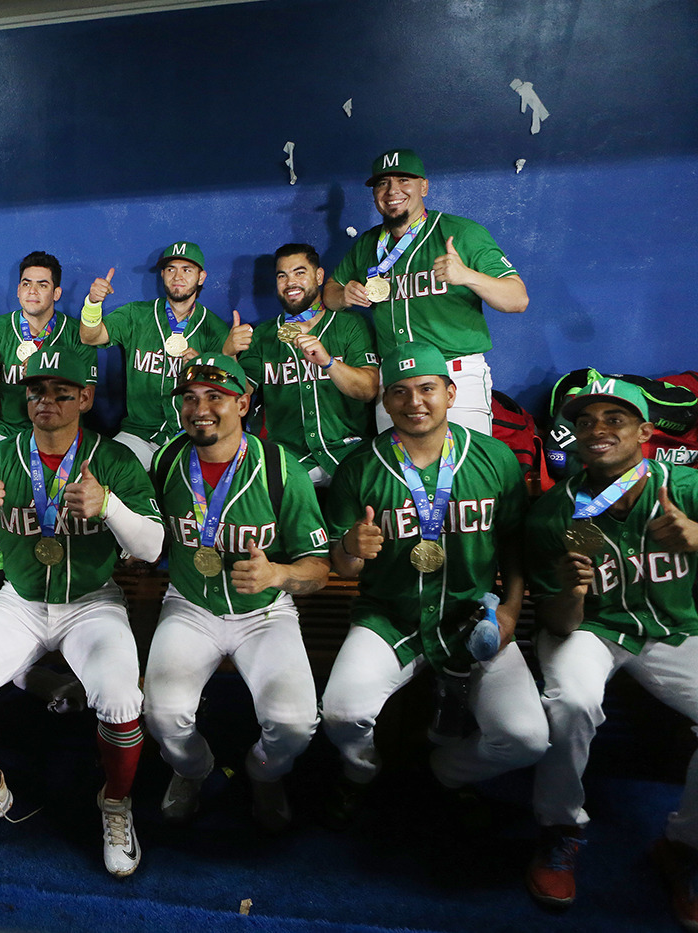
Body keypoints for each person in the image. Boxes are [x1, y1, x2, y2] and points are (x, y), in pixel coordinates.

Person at [0, 349, 163, 876]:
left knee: (122, 700)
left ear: (85, 398)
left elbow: (152, 548)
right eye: (38, 392)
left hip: (91, 601)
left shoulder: (114, 458)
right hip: (20, 600)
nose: (48, 402)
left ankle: (116, 803)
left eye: (63, 393)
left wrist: (110, 507)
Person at [320, 343, 548, 825]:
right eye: (399, 392)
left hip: (472, 618)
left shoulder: (494, 458)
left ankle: (447, 771)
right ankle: (361, 771)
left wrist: (509, 610)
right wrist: (350, 549)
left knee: (527, 738)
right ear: (385, 403)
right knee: (341, 712)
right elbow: (344, 569)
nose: (414, 402)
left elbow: (513, 544)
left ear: (450, 392)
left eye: (426, 388)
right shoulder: (359, 466)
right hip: (390, 617)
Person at [523, 379, 698, 927]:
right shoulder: (555, 511)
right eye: (586, 421)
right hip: (593, 629)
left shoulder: (687, 488)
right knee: (571, 700)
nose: (598, 430)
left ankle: (683, 845)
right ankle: (560, 829)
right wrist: (569, 594)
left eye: (615, 419)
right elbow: (555, 622)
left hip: (673, 629)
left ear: (645, 432)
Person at [144, 354, 329, 831]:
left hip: (264, 612)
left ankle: (263, 772)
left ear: (243, 403)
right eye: (190, 398)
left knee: (294, 724)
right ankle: (194, 770)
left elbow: (320, 568)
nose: (199, 408)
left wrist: (279, 575)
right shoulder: (166, 459)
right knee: (162, 713)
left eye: (216, 398)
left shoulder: (280, 467)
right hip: (190, 605)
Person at [324, 149, 528, 434]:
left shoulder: (462, 232)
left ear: (424, 186)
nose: (393, 190)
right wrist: (343, 296)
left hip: (454, 374)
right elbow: (329, 293)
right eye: (383, 183)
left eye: (404, 179)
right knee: (398, 472)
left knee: (463, 470)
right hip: (394, 376)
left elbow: (517, 299)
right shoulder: (367, 244)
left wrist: (468, 276)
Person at [78, 241, 243, 469]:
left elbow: (237, 394)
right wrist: (93, 304)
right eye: (170, 269)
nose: (178, 276)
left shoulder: (214, 329)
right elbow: (90, 337)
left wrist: (206, 367)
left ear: (201, 277)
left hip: (191, 435)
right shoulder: (136, 314)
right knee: (101, 470)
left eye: (187, 270)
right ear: (163, 275)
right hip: (138, 434)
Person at [238, 244, 379, 486]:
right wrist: (229, 355)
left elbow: (368, 390)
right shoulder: (264, 334)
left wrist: (328, 363)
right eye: (282, 276)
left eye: (300, 272)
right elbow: (240, 396)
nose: (290, 282)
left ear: (320, 276)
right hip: (289, 458)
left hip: (347, 450)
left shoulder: (350, 325)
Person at [0, 252, 96, 459]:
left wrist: (47, 375)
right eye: (26, 284)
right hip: (9, 432)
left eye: (42, 285)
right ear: (18, 291)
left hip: (61, 434)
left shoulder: (76, 333)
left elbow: (86, 403)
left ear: (56, 293)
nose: (32, 291)